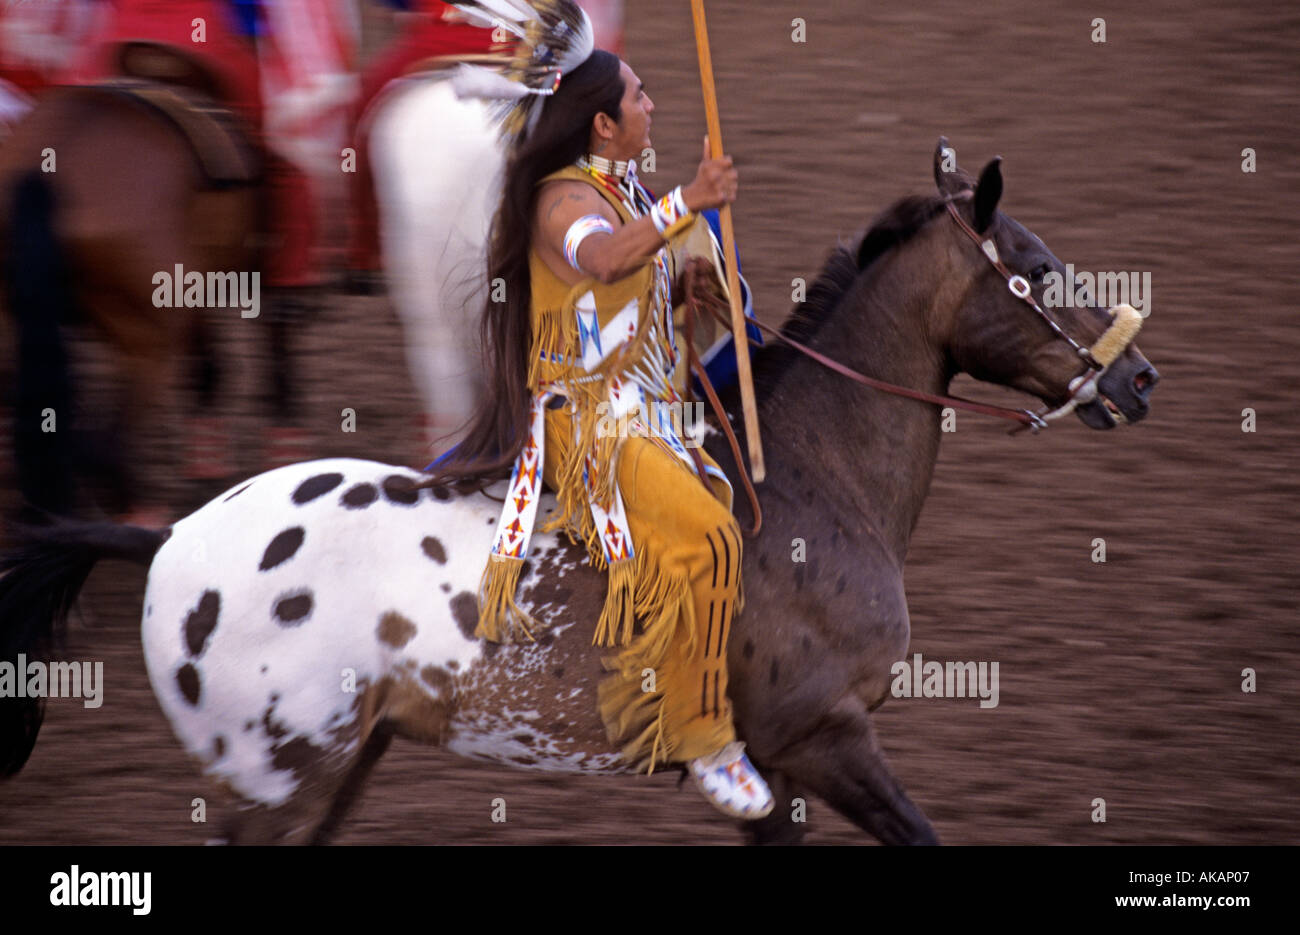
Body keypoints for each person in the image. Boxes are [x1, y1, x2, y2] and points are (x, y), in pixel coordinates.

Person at [433, 44, 773, 819]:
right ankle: (704, 738)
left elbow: (627, 296)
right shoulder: (563, 202)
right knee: (711, 538)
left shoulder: (621, 192)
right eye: (640, 96)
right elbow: (609, 262)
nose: (651, 105)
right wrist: (688, 200)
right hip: (587, 423)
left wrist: (685, 287)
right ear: (602, 122)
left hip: (646, 411)